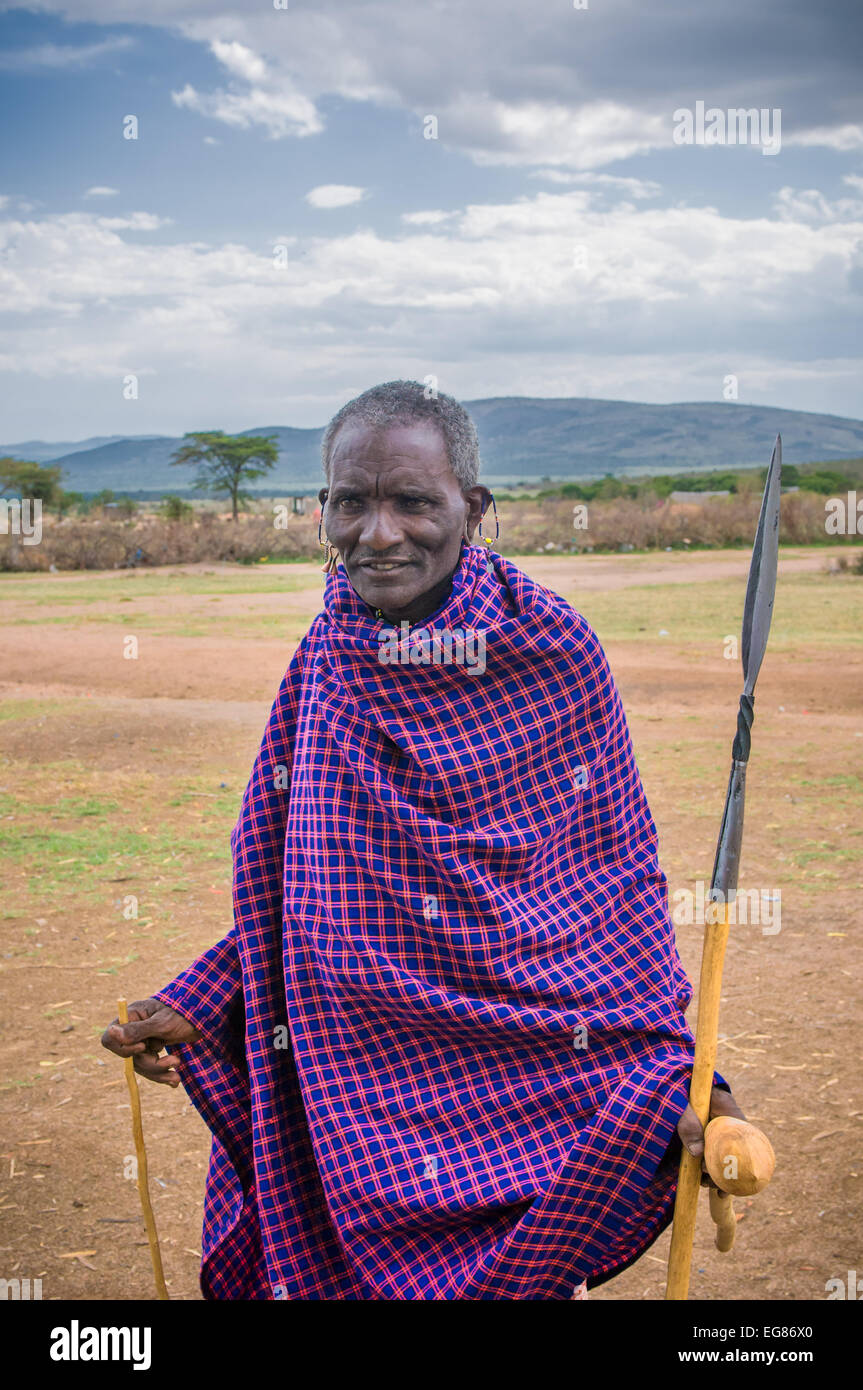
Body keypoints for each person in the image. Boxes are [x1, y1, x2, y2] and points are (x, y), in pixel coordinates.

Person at [102, 380, 743, 1300]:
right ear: (321, 509)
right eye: (350, 502)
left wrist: (692, 1076)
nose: (378, 532)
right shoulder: (327, 653)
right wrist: (207, 996)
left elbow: (612, 889)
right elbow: (304, 889)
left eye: (413, 501)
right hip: (342, 1086)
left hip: (523, 1086)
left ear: (472, 509)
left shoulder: (553, 653)